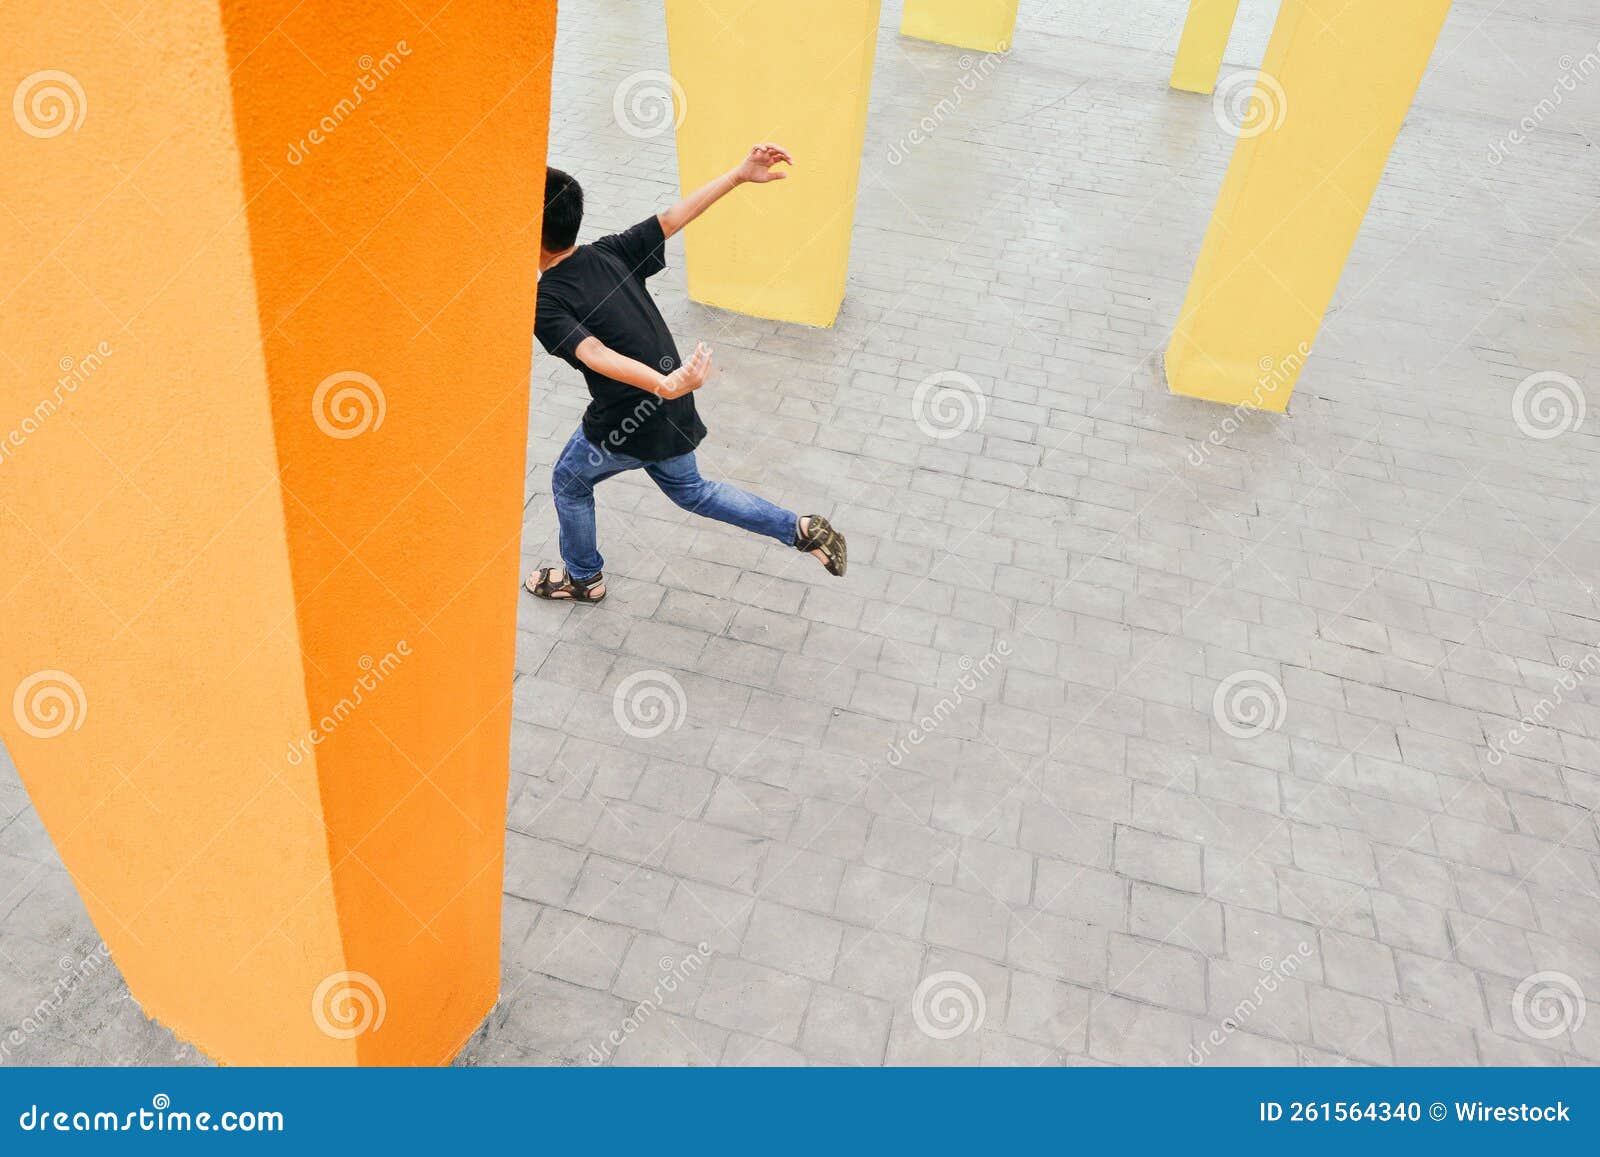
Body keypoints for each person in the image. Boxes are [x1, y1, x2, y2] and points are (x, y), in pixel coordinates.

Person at [526, 144, 846, 604]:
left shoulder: (548, 300)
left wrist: (663, 384)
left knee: (569, 482)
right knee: (693, 491)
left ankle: (583, 578)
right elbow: (672, 219)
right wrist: (737, 175)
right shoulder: (608, 252)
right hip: (671, 401)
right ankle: (799, 529)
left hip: (629, 418)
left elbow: (593, 352)